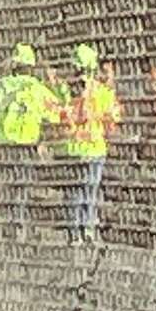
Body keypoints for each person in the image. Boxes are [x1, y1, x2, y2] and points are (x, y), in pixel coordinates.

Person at [0, 42, 62, 238]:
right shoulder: (37, 89)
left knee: (6, 184)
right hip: (27, 142)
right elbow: (55, 114)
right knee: (22, 186)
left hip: (2, 142)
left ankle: (7, 219)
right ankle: (17, 224)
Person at [58, 42, 122, 243]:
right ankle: (88, 229)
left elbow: (61, 117)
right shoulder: (103, 91)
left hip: (75, 148)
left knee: (74, 193)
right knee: (90, 192)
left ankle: (74, 232)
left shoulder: (66, 91)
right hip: (96, 147)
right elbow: (114, 118)